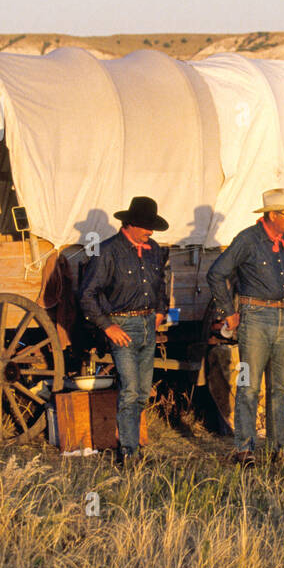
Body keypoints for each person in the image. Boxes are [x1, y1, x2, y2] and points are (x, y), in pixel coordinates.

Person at [206, 188, 284, 467]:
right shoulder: (247, 240)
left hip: (282, 319)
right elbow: (216, 273)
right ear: (273, 215)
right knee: (249, 386)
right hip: (254, 319)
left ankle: (281, 448)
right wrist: (229, 313)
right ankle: (244, 450)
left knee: (279, 387)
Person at [79, 196, 169, 466]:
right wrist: (108, 326)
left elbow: (161, 286)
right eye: (145, 226)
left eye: (152, 227)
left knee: (142, 392)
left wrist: (161, 311)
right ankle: (129, 453)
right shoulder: (107, 251)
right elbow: (87, 294)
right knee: (130, 390)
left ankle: (133, 447)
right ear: (128, 224)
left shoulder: (153, 250)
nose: (150, 232)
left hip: (147, 325)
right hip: (123, 328)